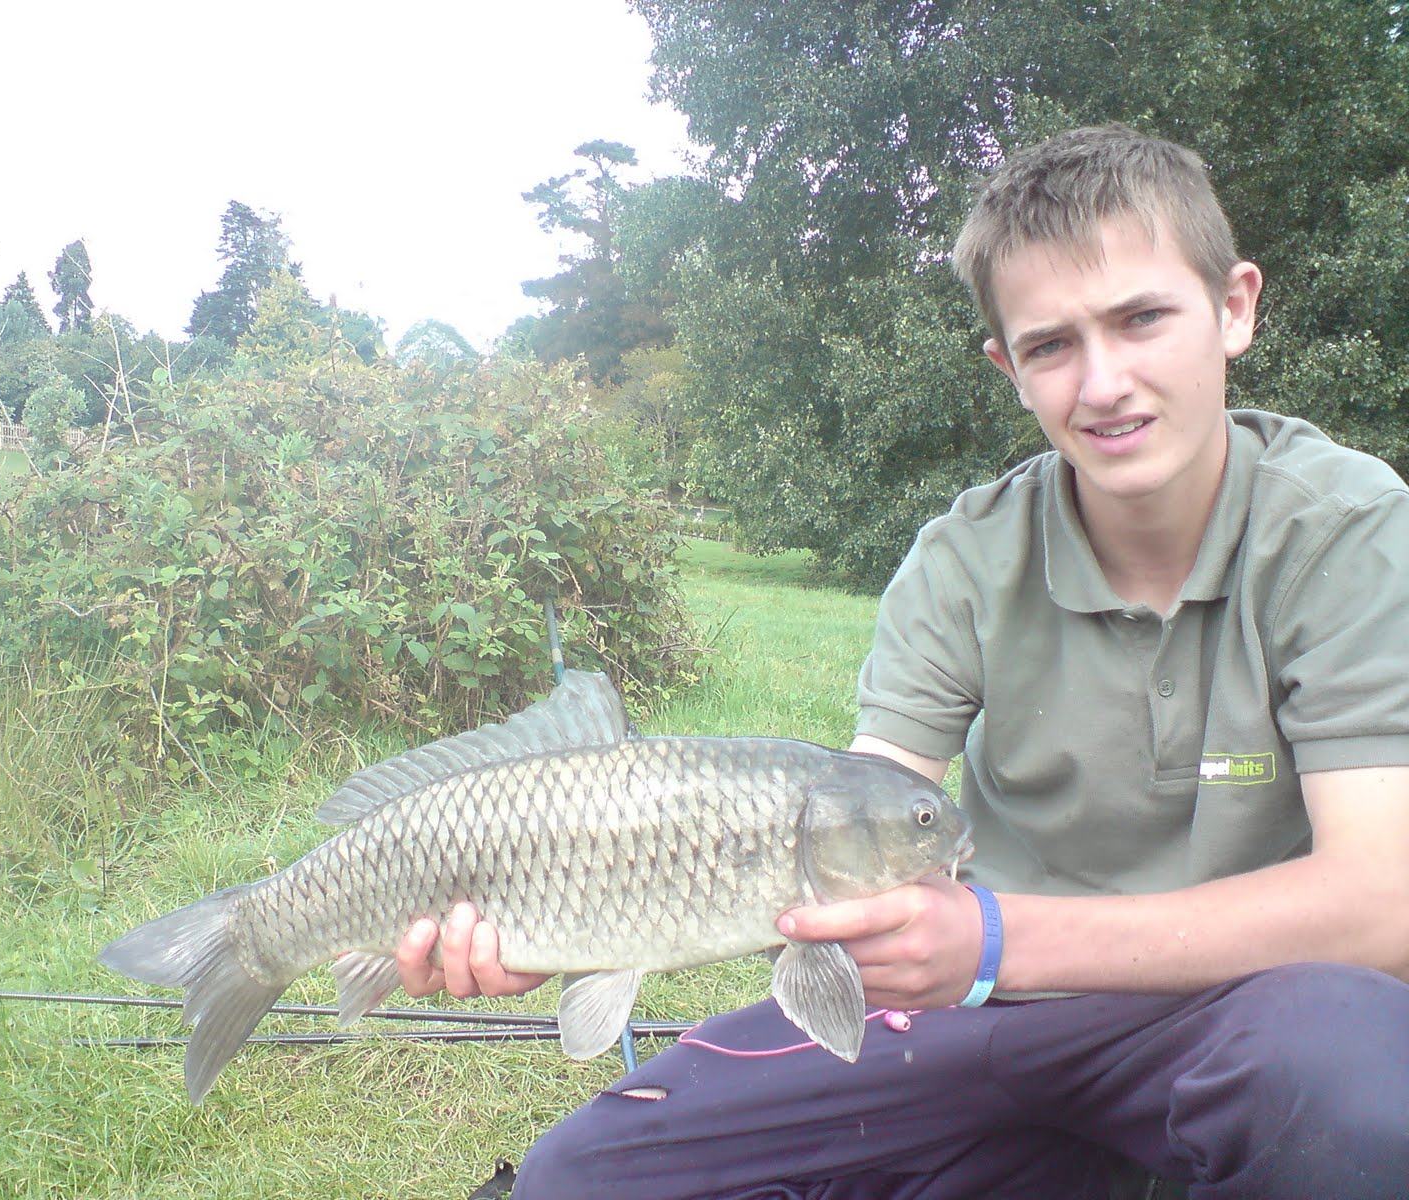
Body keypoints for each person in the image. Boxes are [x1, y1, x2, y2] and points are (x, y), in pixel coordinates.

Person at [396, 125, 1409, 1199]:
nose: (1103, 381)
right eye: (1051, 345)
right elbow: (864, 810)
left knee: (1355, 1082)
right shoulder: (964, 556)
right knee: (581, 1180)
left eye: (1142, 318)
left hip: (1237, 1014)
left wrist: (992, 939)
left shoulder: (1346, 531)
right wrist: (574, 905)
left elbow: (1382, 901)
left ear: (1234, 306)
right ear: (1005, 366)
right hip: (972, 1025)